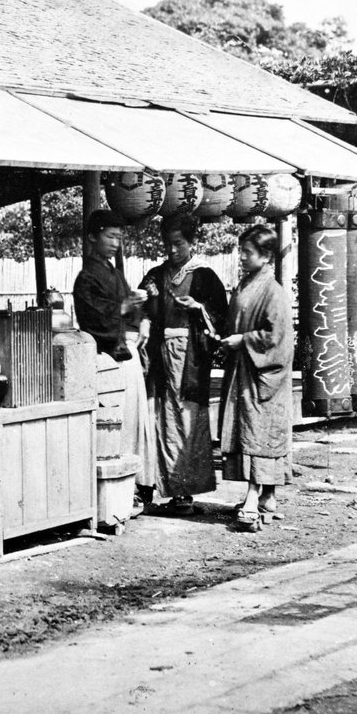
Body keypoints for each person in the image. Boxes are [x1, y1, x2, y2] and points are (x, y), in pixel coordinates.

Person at [138, 214, 228, 516]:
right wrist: (147, 320)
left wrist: (199, 308)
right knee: (162, 418)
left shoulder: (205, 277)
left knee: (188, 418)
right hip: (161, 355)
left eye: (179, 244)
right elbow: (144, 306)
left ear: (192, 243)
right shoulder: (156, 275)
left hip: (190, 357)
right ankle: (162, 486)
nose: (173, 250)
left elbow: (219, 317)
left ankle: (186, 489)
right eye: (168, 244)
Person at [72, 210, 155, 507]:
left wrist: (142, 317)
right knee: (115, 422)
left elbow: (130, 309)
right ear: (93, 237)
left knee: (132, 421)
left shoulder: (113, 272)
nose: (116, 243)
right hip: (107, 359)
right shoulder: (86, 278)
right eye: (110, 236)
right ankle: (117, 493)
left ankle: (132, 485)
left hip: (127, 352)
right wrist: (123, 306)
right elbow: (93, 319)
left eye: (119, 237)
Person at [218, 224, 294, 533]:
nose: (241, 258)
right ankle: (269, 498)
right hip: (245, 369)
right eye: (241, 252)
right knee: (251, 429)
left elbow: (275, 336)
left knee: (259, 434)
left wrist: (243, 340)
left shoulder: (273, 292)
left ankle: (253, 497)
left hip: (265, 374)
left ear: (265, 256)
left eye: (247, 253)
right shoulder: (246, 284)